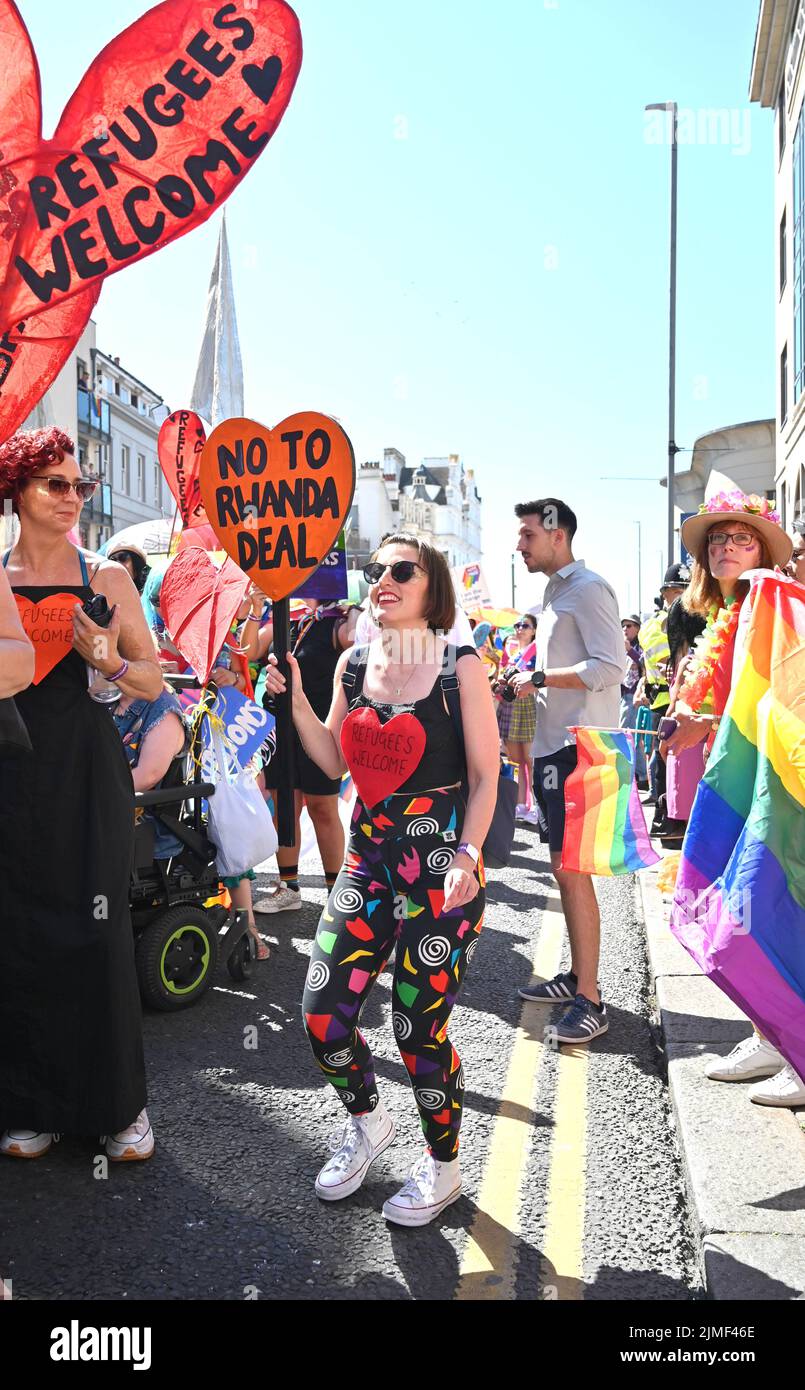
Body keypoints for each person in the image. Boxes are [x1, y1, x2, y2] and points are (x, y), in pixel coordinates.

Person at [262, 534, 499, 1225]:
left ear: (433, 587)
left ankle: (442, 1164)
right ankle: (367, 1122)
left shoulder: (460, 668)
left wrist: (467, 856)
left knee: (416, 1027)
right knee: (320, 1013)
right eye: (375, 570)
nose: (382, 580)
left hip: (439, 874)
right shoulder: (352, 662)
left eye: (402, 570)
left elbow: (486, 778)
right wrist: (298, 701)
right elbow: (333, 765)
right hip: (367, 864)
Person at [0, 427, 161, 1161]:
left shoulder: (108, 579)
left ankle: (120, 1109)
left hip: (85, 768)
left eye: (79, 485)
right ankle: (33, 1107)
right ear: (19, 491)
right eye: (55, 484)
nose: (72, 498)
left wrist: (105, 659)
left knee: (95, 928)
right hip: (10, 767)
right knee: (18, 929)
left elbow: (153, 682)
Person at [665, 492, 803, 1107]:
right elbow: (722, 707)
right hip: (736, 783)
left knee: (761, 905)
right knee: (736, 906)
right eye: (717, 540)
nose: (726, 547)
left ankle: (790, 1041)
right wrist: (687, 720)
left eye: (741, 539)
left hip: (770, 785)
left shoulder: (771, 604)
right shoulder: (729, 615)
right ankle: (767, 1030)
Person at [510, 499, 625, 1044]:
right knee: (561, 868)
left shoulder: (590, 588)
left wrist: (541, 678)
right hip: (554, 748)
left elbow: (611, 668)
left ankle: (592, 999)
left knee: (572, 870)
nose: (520, 544)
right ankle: (578, 977)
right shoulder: (555, 593)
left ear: (557, 534)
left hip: (582, 748)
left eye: (528, 534)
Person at [246, 598, 361, 913]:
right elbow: (250, 650)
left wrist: (349, 607)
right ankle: (288, 887)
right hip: (279, 728)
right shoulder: (286, 615)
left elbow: (356, 638)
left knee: (323, 808)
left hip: (319, 728)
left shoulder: (335, 619)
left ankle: (336, 895)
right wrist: (257, 606)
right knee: (285, 806)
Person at [634, 564, 689, 830]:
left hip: (690, 699)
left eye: (685, 591)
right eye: (676, 591)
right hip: (664, 700)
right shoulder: (655, 625)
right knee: (664, 759)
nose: (681, 598)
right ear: (664, 593)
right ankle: (664, 813)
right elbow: (666, 658)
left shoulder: (692, 617)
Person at [493, 613, 539, 822]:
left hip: (528, 705)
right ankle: (520, 804)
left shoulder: (538, 652)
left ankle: (536, 805)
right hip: (510, 705)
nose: (520, 629)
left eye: (525, 625)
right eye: (517, 625)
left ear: (534, 630)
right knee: (516, 760)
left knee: (531, 759)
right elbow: (500, 677)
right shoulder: (510, 652)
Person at [619, 614, 647, 787]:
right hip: (622, 695)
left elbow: (646, 663)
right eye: (623, 626)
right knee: (630, 734)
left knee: (629, 734)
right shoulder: (618, 648)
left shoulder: (642, 645)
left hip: (635, 696)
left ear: (637, 628)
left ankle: (637, 775)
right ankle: (638, 774)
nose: (625, 629)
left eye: (629, 626)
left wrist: (630, 650)